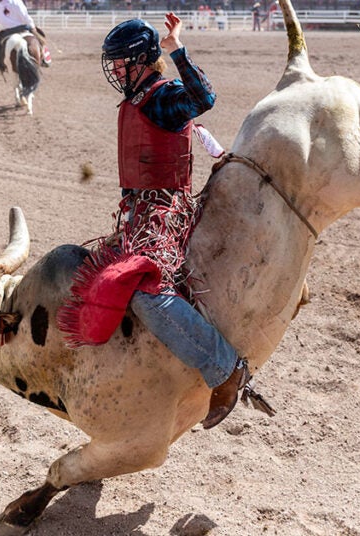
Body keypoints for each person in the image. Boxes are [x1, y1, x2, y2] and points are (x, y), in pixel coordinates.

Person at [85, 14, 252, 429]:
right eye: (115, 63)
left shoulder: (162, 97)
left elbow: (203, 98)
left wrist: (176, 48)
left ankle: (225, 369)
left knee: (145, 293)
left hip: (165, 212)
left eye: (123, 62)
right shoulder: (138, 98)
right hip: (138, 214)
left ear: (144, 60)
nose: (116, 70)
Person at [0, 0, 50, 72]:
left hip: (7, 31)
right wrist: (33, 27)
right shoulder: (17, 2)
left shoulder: (0, 5)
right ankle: (44, 58)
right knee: (41, 37)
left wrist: (8, 23)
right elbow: (25, 16)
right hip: (23, 27)